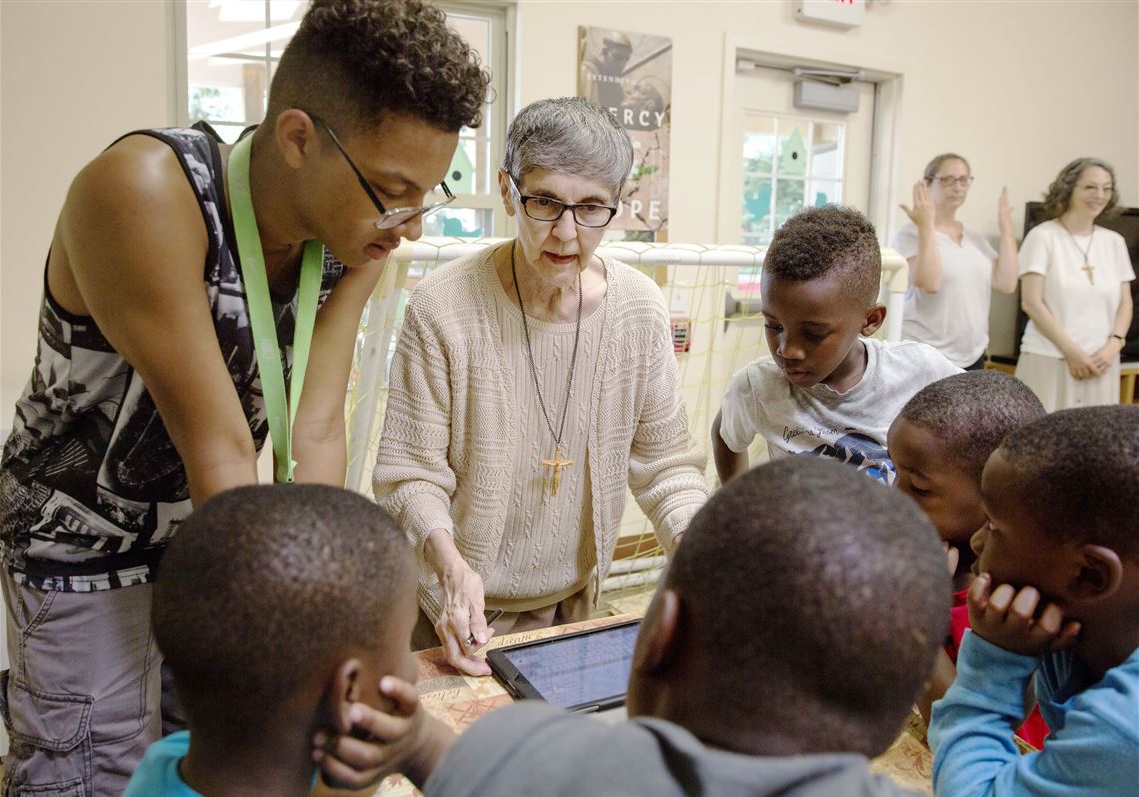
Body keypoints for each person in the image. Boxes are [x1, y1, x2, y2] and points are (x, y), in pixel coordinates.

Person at [0, 1, 489, 793]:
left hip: (209, 543)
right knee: (94, 772)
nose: (408, 227)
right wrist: (316, 650)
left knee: (218, 764)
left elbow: (317, 427)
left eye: (425, 198)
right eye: (394, 192)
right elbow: (221, 445)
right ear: (298, 139)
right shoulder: (146, 191)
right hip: (80, 550)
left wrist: (339, 618)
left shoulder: (357, 238)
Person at [360, 457, 951, 795]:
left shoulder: (527, 751)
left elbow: (471, 772)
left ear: (660, 631)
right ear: (899, 713)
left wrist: (416, 742)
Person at [373, 96, 707, 676]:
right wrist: (452, 568)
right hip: (452, 612)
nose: (567, 233)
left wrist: (693, 542)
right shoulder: (443, 307)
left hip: (577, 607)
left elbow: (668, 465)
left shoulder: (639, 310)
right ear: (508, 190)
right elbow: (410, 473)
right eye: (545, 203)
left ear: (616, 207)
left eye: (591, 209)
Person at [122, 484, 454, 797]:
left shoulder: (168, 756)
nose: (411, 668)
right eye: (403, 646)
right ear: (349, 690)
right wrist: (421, 746)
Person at [929, 405, 1139, 795]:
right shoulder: (1089, 624)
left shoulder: (1125, 727)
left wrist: (994, 664)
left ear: (1089, 575)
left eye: (993, 527)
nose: (977, 543)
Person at [712, 205, 960, 487]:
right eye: (774, 326)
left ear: (870, 320)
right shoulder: (757, 386)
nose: (787, 350)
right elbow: (724, 435)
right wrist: (738, 498)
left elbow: (988, 419)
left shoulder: (921, 369)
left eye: (814, 333)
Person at [887, 371, 1048, 745]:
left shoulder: (1015, 602)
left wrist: (918, 618)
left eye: (921, 488)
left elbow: (966, 737)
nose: (895, 499)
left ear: (998, 498)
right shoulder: (910, 560)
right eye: (895, 473)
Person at [1015, 157, 1135, 411]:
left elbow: (1125, 302)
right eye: (1090, 187)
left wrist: (1114, 344)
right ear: (1068, 188)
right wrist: (1072, 352)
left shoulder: (1114, 242)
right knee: (1043, 441)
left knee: (1095, 444)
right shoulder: (1043, 237)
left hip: (1103, 362)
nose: (1099, 195)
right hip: (1050, 358)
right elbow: (1032, 303)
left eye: (1107, 188)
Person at [894, 153, 1018, 370]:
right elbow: (930, 283)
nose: (958, 187)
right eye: (948, 179)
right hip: (926, 356)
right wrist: (926, 226)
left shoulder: (975, 239)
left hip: (973, 356)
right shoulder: (910, 234)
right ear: (927, 184)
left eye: (963, 180)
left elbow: (1006, 283)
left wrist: (1007, 229)